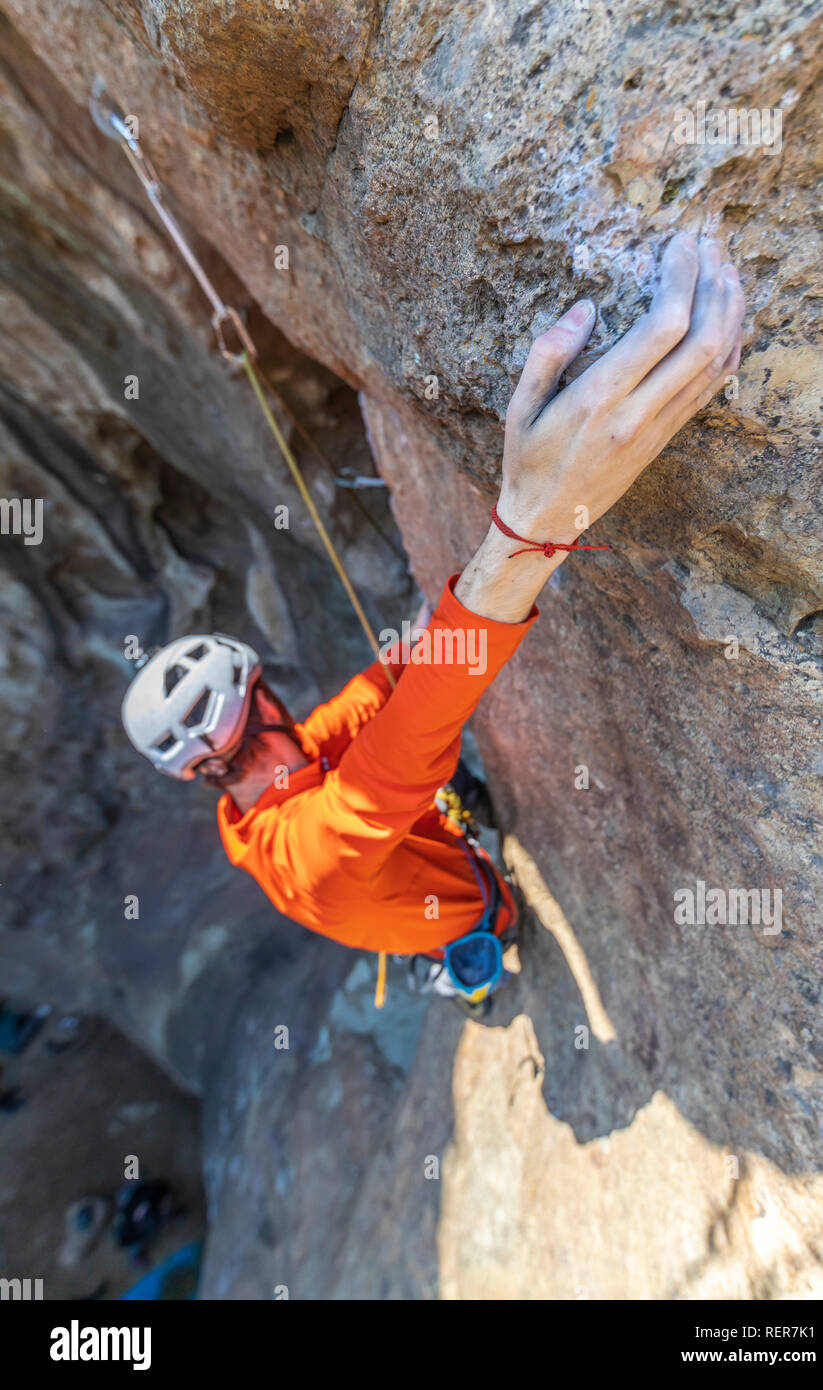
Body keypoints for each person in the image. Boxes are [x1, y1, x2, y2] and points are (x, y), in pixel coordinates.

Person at [122, 235, 744, 1008]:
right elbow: (409, 738)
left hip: (405, 871)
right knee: (481, 893)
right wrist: (525, 529)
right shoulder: (312, 848)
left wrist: (417, 639)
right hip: (469, 906)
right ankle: (482, 942)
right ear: (262, 702)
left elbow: (373, 699)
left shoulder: (261, 801)